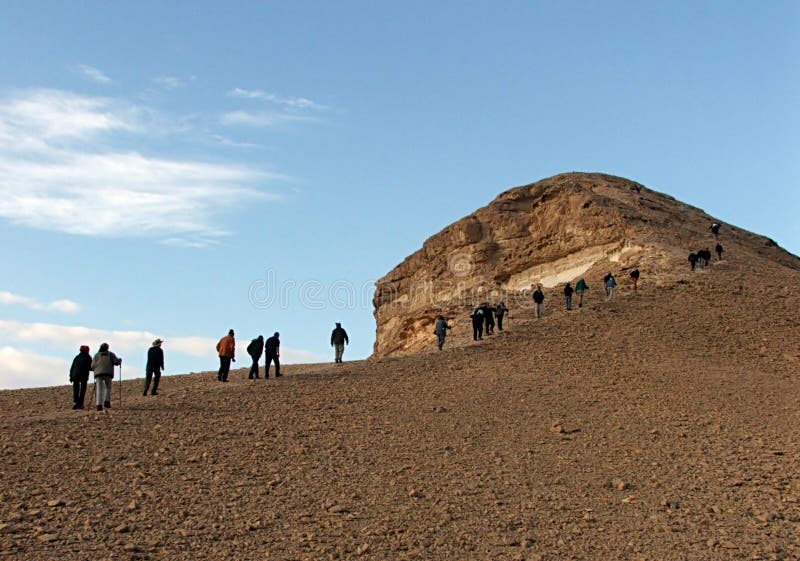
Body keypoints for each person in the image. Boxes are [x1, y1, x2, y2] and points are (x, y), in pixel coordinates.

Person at [91, 343, 121, 411]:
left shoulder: (96, 355)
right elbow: (116, 362)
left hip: (98, 374)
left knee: (99, 389)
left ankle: (99, 405)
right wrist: (119, 361)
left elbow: (92, 366)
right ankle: (107, 402)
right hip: (108, 373)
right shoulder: (110, 354)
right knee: (108, 387)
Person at [69, 345, 92, 410]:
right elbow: (90, 367)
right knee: (82, 390)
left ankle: (76, 402)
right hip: (83, 376)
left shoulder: (77, 357)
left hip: (75, 376)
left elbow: (72, 367)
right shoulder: (88, 357)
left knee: (76, 390)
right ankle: (80, 404)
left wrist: (71, 376)